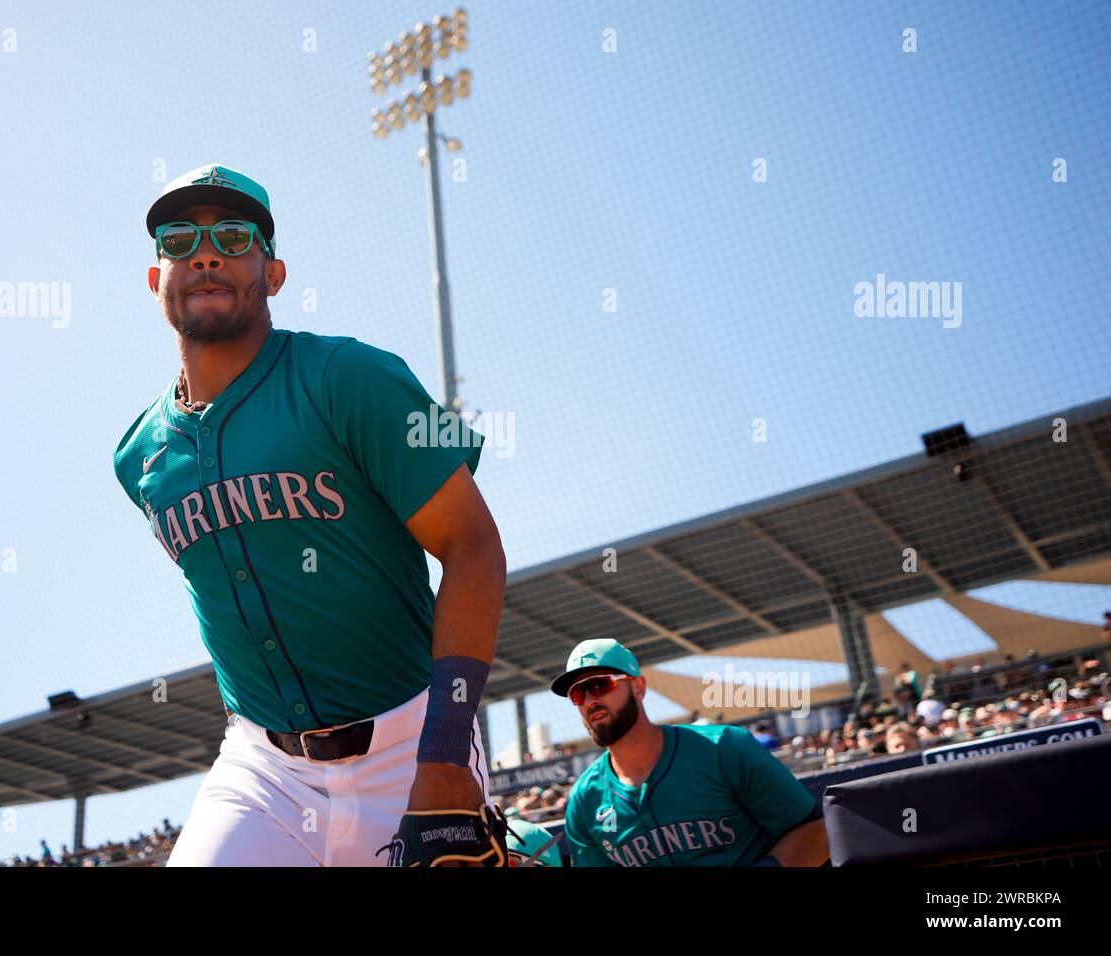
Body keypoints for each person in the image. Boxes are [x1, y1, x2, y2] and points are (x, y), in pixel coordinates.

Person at [114, 164, 507, 866]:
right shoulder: (136, 455)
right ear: (155, 281)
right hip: (265, 772)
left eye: (234, 237)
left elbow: (473, 545)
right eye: (179, 241)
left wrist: (447, 752)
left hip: (411, 740)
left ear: (274, 273)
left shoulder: (354, 375)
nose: (205, 253)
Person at [552, 639, 829, 867]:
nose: (590, 701)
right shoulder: (585, 801)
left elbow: (817, 834)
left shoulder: (724, 748)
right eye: (578, 695)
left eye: (600, 685)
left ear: (638, 687)